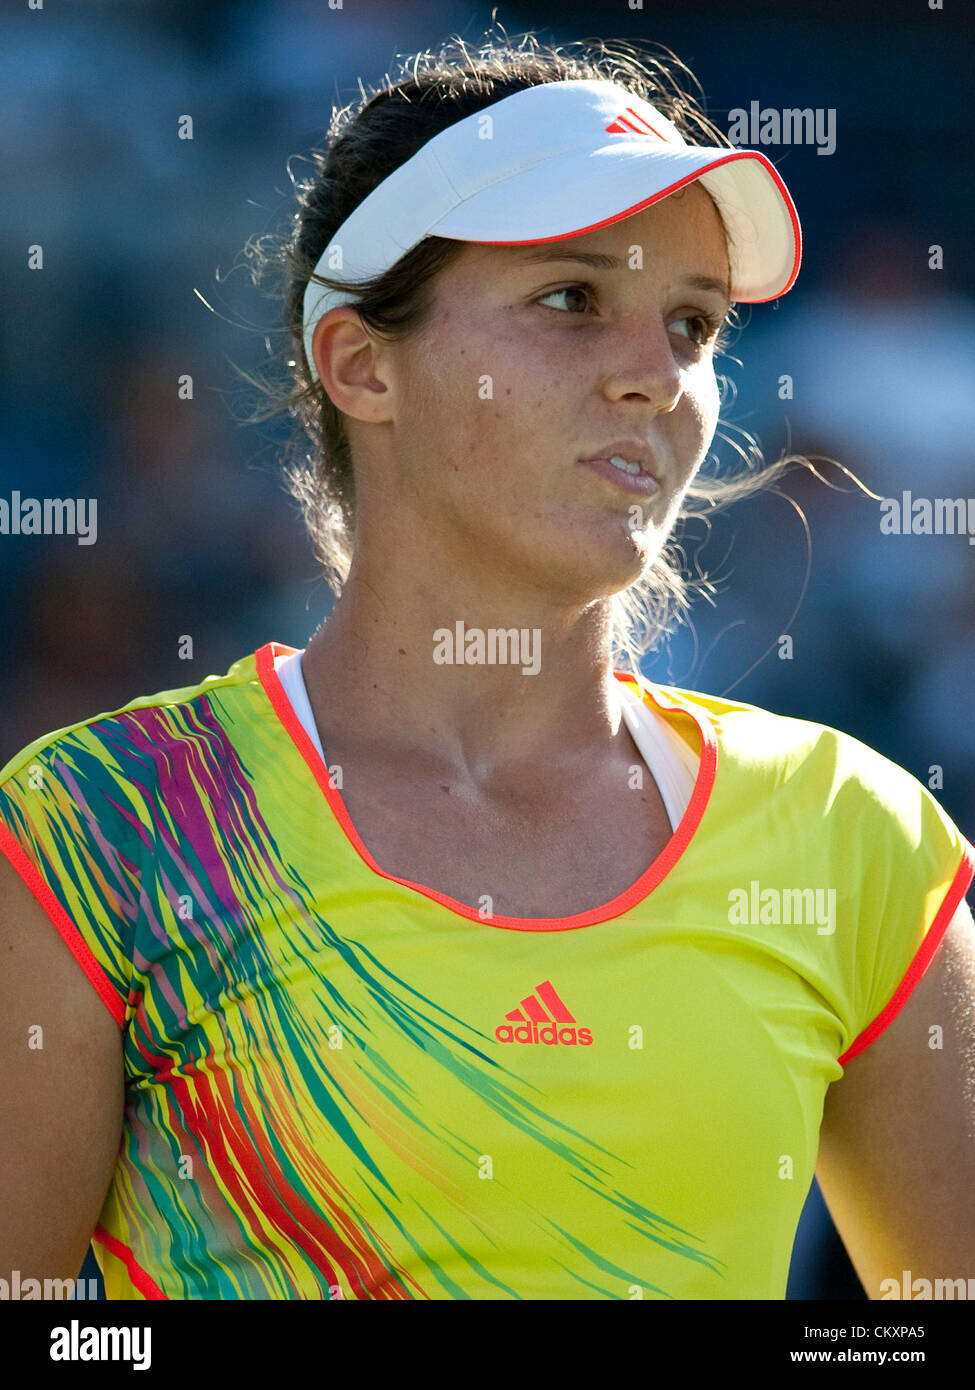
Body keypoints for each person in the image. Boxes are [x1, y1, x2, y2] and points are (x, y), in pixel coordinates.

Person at [1, 34, 973, 1302]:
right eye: (571, 299)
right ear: (361, 364)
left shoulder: (860, 831)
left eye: (693, 323)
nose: (658, 379)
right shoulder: (102, 827)